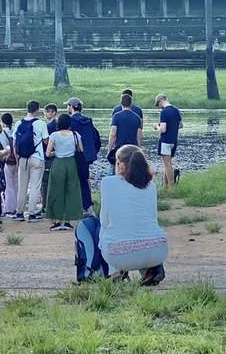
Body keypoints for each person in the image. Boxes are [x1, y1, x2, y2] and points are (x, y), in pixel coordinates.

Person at [76, 145, 167, 285]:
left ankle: (112, 272)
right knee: (140, 227)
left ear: (120, 165)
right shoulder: (151, 186)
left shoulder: (108, 183)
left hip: (119, 255)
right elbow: (153, 218)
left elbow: (105, 220)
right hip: (158, 250)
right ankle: (150, 269)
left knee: (95, 227)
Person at [43, 112, 84, 230]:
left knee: (56, 191)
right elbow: (81, 149)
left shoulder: (54, 135)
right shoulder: (76, 134)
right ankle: (67, 220)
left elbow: (48, 153)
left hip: (58, 164)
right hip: (71, 163)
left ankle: (56, 220)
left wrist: (57, 152)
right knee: (71, 191)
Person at [14, 101, 49, 221]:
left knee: (22, 186)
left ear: (27, 109)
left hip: (22, 158)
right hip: (37, 157)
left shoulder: (19, 123)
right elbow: (45, 140)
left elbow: (15, 143)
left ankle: (19, 213)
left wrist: (17, 157)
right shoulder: (41, 123)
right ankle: (32, 213)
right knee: (35, 186)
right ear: (37, 110)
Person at [66, 98, 101, 212]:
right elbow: (96, 138)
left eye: (68, 106)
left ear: (71, 107)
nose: (67, 108)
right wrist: (93, 152)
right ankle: (88, 206)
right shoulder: (88, 121)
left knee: (72, 181)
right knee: (84, 181)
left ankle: (74, 206)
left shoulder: (71, 121)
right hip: (87, 157)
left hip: (75, 155)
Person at [154, 93, 182, 190]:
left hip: (165, 141)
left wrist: (156, 126)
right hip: (174, 140)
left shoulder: (164, 112)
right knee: (168, 163)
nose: (159, 108)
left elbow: (163, 129)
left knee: (167, 165)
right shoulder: (176, 110)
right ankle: (165, 186)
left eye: (158, 105)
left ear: (160, 101)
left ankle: (171, 188)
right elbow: (181, 125)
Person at [108, 93, 142, 167]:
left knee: (116, 169)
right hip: (132, 149)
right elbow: (139, 136)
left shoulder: (116, 116)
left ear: (121, 103)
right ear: (131, 104)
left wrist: (109, 149)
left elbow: (113, 135)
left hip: (119, 148)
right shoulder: (137, 117)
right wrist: (139, 148)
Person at [0, 111, 18, 219]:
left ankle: (9, 209)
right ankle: (17, 208)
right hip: (16, 159)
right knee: (16, 185)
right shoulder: (14, 130)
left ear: (2, 122)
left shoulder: (2, 133)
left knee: (8, 186)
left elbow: (4, 147)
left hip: (7, 160)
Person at [41, 103, 60, 206]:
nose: (45, 114)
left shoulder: (48, 126)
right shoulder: (60, 125)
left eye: (46, 112)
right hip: (58, 156)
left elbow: (46, 142)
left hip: (49, 156)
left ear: (53, 113)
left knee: (46, 182)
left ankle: (45, 204)